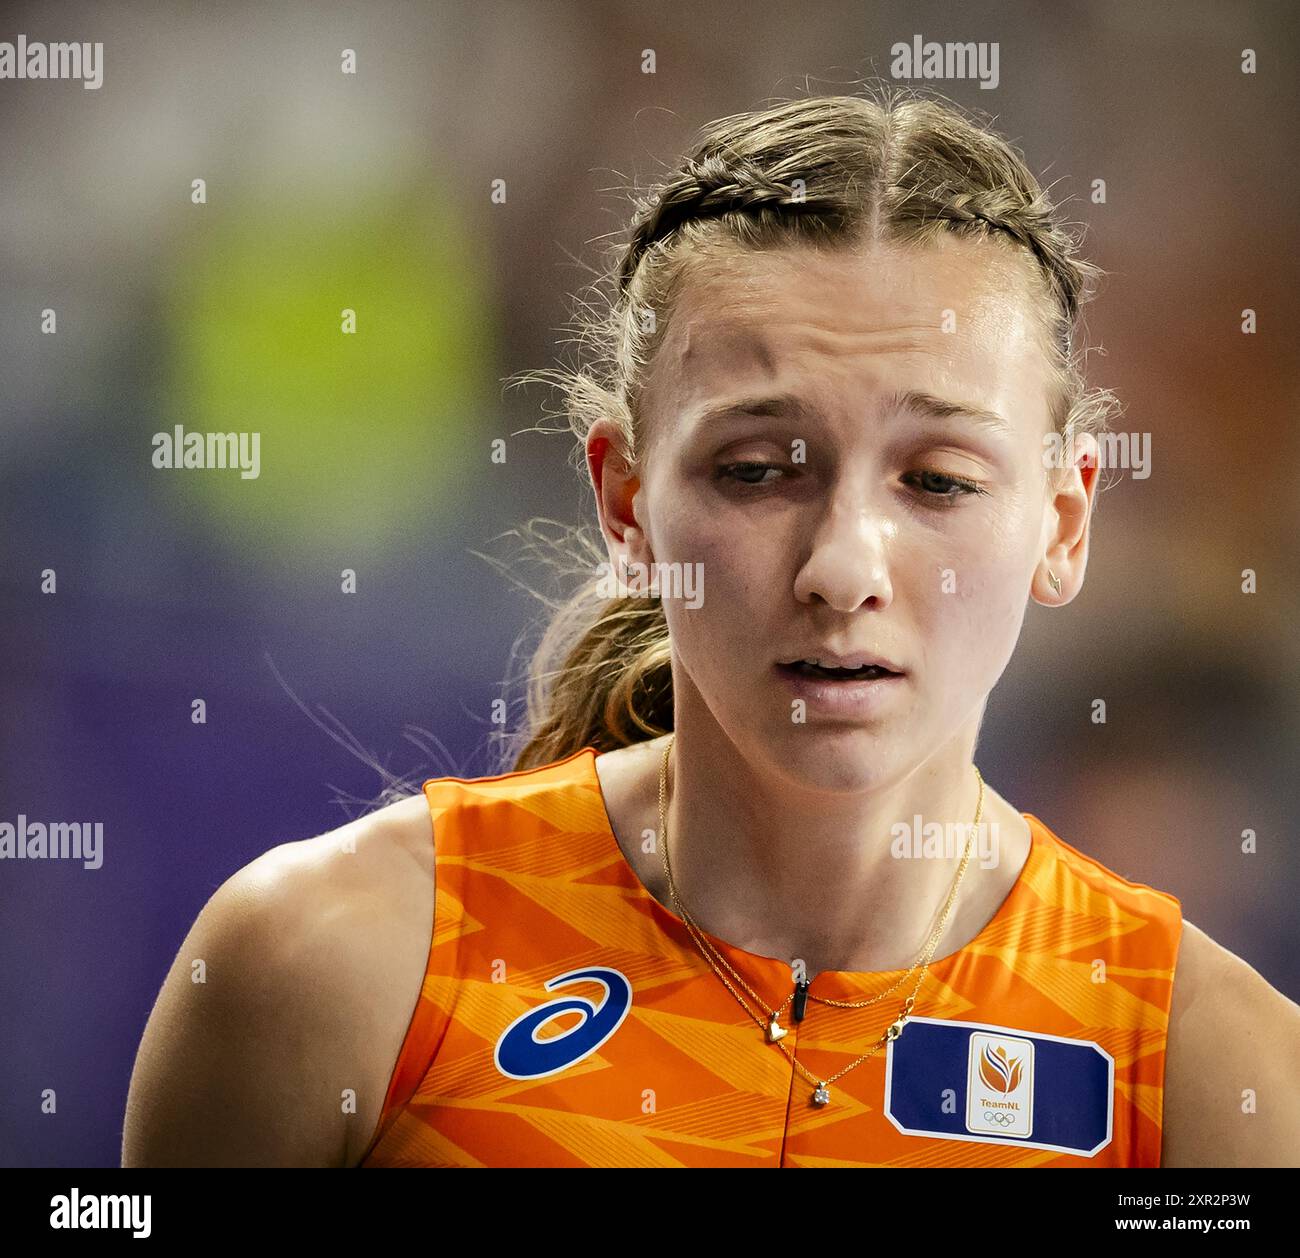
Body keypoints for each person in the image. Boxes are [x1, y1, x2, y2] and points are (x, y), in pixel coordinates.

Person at [122, 87, 1299, 1168]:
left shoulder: (1212, 1075)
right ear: (624, 501)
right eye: (755, 469)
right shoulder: (330, 967)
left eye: (937, 480)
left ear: (1062, 521)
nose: (842, 566)